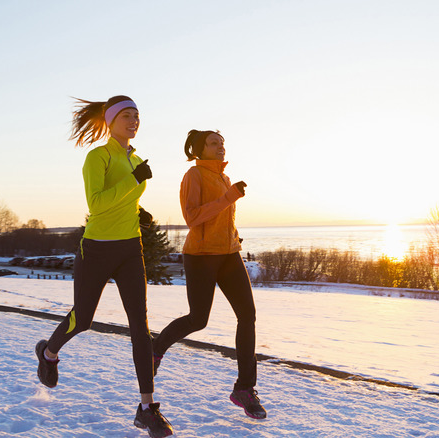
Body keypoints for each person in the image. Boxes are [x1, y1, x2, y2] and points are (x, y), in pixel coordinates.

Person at [34, 95, 173, 438]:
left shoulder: (135, 158)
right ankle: (49, 353)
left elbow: (122, 200)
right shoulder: (98, 156)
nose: (134, 120)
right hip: (96, 249)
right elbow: (96, 205)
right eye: (127, 115)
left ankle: (146, 408)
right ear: (110, 121)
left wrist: (140, 211)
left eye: (137, 115)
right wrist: (133, 181)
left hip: (130, 248)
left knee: (140, 327)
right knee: (83, 319)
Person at [153, 130, 267, 419]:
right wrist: (228, 198)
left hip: (229, 255)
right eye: (214, 143)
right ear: (199, 149)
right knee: (198, 320)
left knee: (247, 316)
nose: (221, 148)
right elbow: (192, 217)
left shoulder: (224, 177)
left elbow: (223, 218)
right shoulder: (194, 176)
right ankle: (157, 347)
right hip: (201, 256)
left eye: (223, 143)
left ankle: (244, 389)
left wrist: (235, 238)